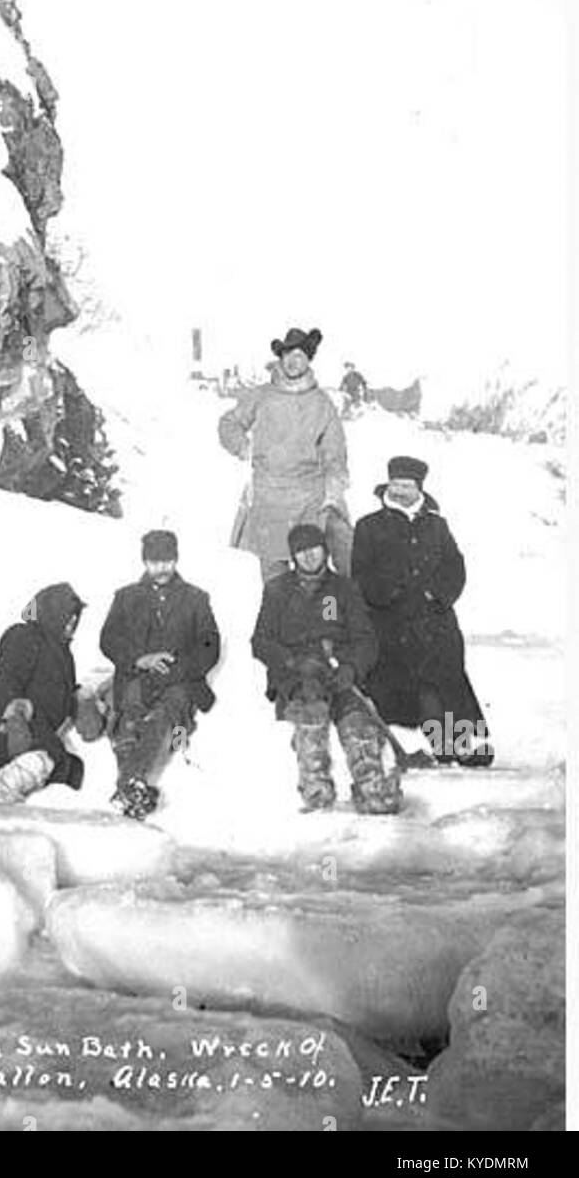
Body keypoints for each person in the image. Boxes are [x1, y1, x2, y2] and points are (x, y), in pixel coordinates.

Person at [251, 523, 403, 814]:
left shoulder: (343, 589)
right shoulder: (277, 590)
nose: (309, 557)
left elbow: (365, 639)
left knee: (358, 723)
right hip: (297, 676)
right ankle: (316, 793)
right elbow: (261, 641)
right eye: (301, 552)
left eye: (314, 549)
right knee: (311, 714)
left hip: (337, 672)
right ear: (294, 557)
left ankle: (372, 789)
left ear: (325, 550)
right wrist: (289, 661)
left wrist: (351, 669)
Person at [351, 456, 493, 766]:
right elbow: (360, 574)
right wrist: (389, 593)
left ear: (419, 489)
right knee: (414, 687)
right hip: (391, 624)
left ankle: (463, 745)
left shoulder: (437, 526)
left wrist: (436, 594)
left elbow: (455, 568)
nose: (400, 490)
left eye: (407, 485)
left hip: (435, 621)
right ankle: (434, 745)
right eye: (395, 484)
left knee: (448, 681)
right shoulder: (368, 526)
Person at [100, 529, 221, 819]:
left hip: (178, 681)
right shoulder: (126, 597)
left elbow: (209, 645)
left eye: (167, 561)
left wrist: (181, 668)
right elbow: (108, 640)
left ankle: (129, 785)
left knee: (164, 717)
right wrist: (140, 660)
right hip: (136, 677)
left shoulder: (196, 598)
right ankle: (133, 787)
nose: (162, 568)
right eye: (155, 562)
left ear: (176, 560)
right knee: (128, 719)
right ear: (145, 562)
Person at [218, 326, 353, 580]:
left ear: (308, 361)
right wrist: (242, 446)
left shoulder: (322, 403)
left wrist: (333, 491)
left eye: (300, 356)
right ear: (280, 359)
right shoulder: (261, 396)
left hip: (311, 495)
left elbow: (335, 454)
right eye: (288, 355)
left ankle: (332, 616)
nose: (293, 361)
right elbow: (228, 423)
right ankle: (277, 620)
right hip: (270, 497)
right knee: (275, 582)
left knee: (328, 566)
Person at [0, 583, 87, 802]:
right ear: (51, 613)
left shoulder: (63, 654)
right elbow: (4, 677)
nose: (72, 623)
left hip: (32, 727)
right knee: (45, 758)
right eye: (67, 615)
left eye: (75, 618)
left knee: (65, 764)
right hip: (6, 722)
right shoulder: (26, 636)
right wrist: (14, 715)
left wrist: (80, 699)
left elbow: (57, 693)